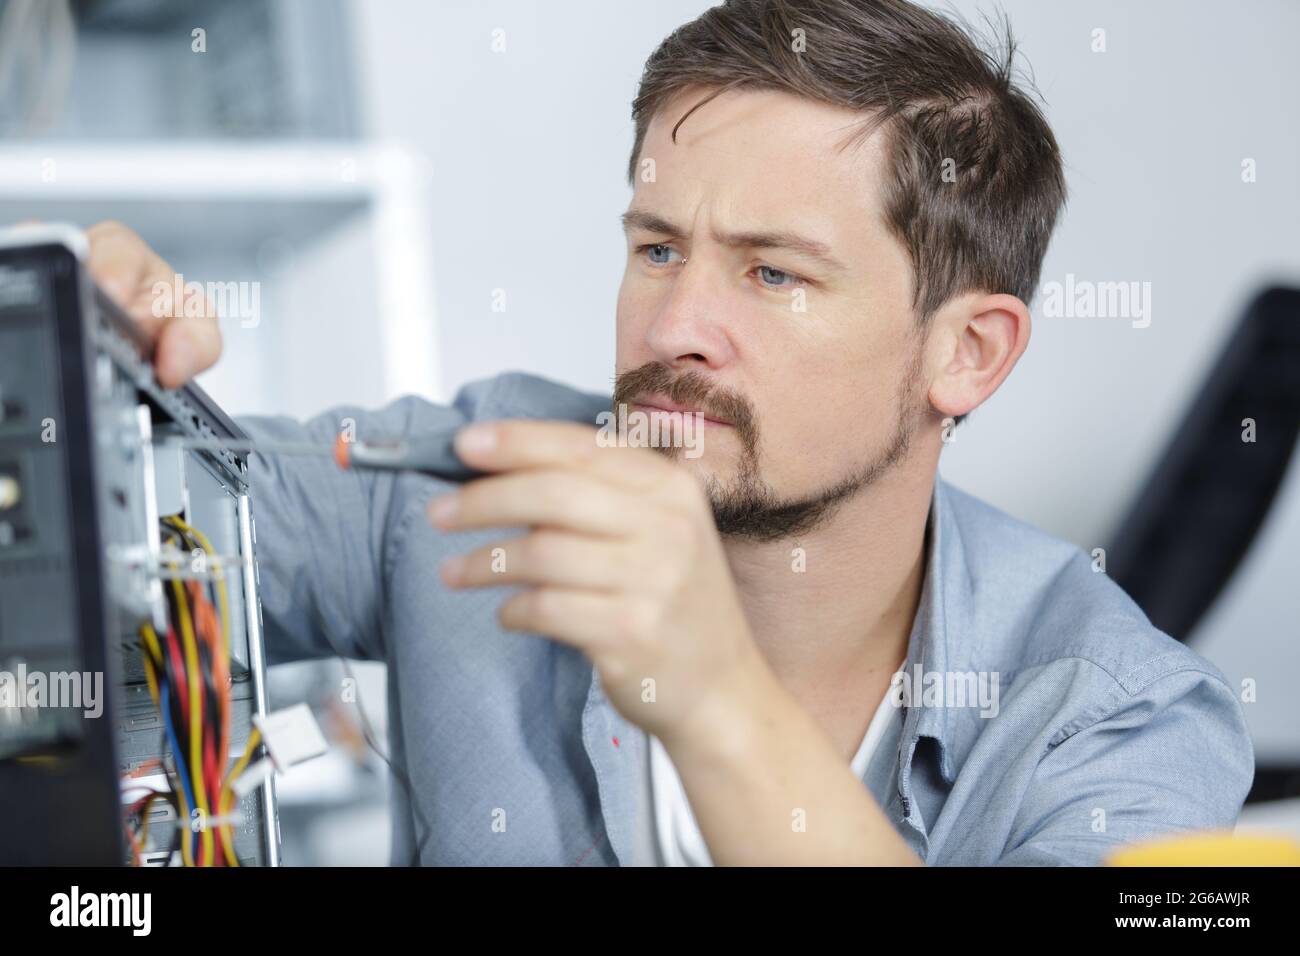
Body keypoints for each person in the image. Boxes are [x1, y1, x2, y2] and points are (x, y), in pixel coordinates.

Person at [82, 0, 1252, 866]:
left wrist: (712, 692)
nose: (676, 325)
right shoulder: (474, 474)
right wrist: (57, 354)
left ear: (968, 352)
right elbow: (94, 545)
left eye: (774, 271)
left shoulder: (1120, 719)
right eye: (656, 248)